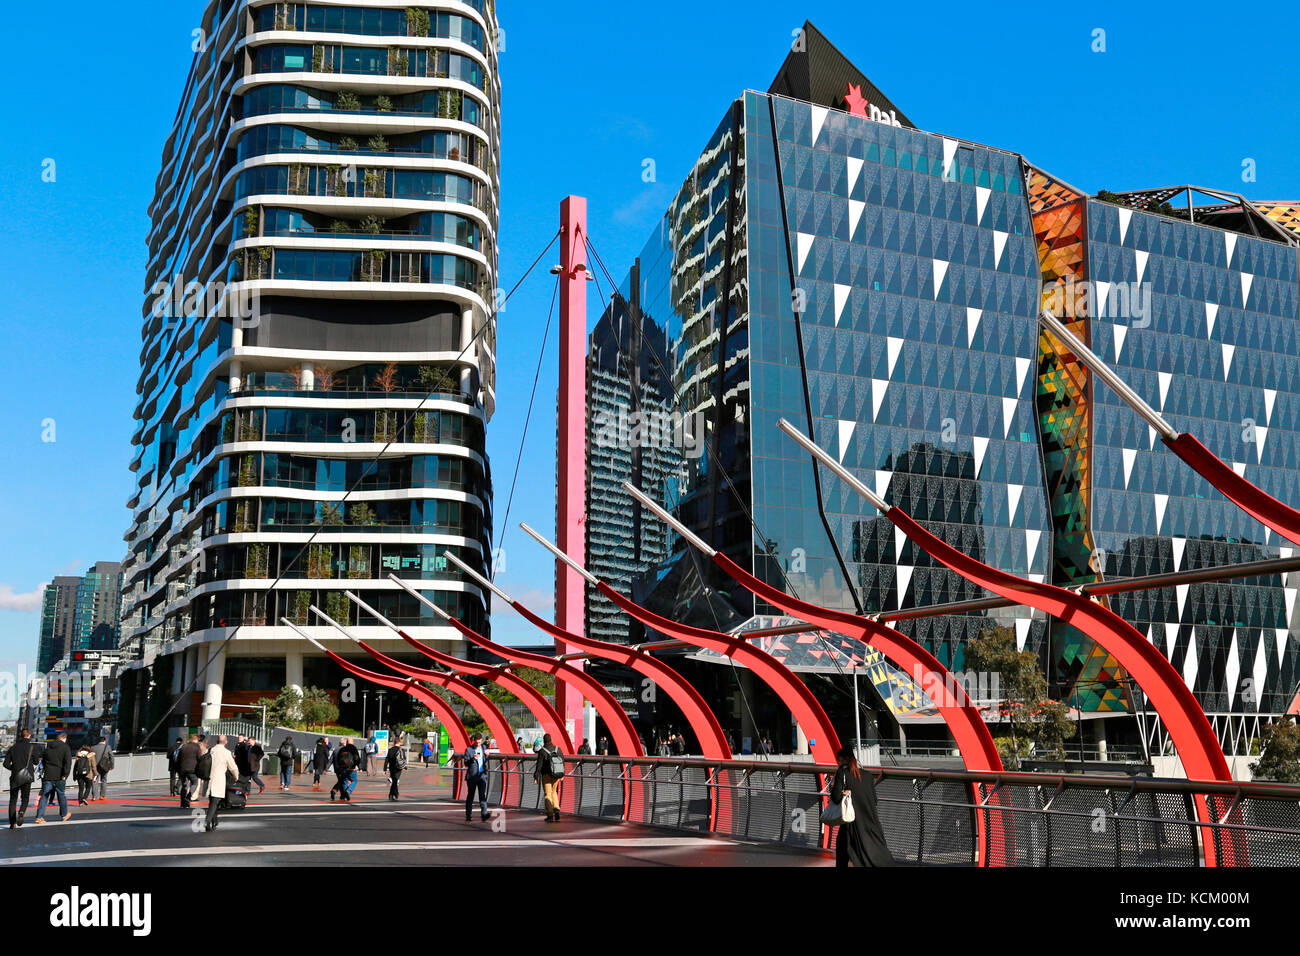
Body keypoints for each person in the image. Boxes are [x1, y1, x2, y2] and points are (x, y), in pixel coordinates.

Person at [830, 746, 893, 868]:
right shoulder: (868, 775)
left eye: (838, 761)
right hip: (870, 822)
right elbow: (874, 800)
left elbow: (836, 798)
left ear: (843, 760)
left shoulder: (842, 773)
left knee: (842, 850)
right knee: (872, 852)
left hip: (851, 823)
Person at [4, 728, 42, 828]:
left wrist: (14, 768)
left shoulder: (13, 748)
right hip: (27, 776)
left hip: (15, 776)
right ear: (29, 735)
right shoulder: (32, 747)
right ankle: (21, 811)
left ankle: (12, 823)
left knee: (13, 800)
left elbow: (5, 764)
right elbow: (36, 762)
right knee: (25, 798)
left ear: (21, 735)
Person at [203, 734, 240, 832]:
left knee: (212, 801)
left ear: (217, 741)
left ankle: (214, 821)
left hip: (208, 778)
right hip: (218, 779)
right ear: (226, 742)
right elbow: (233, 767)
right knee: (215, 801)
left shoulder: (210, 750)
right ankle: (207, 821)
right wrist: (236, 776)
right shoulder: (226, 752)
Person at [34, 731, 73, 823]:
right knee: (61, 795)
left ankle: (39, 817)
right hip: (59, 775)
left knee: (45, 796)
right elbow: (68, 763)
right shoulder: (65, 747)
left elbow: (43, 761)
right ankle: (64, 815)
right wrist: (65, 774)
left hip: (48, 775)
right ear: (64, 738)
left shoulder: (48, 747)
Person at [534, 733, 563, 822]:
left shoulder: (542, 751)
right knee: (554, 792)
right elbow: (562, 761)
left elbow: (539, 765)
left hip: (546, 775)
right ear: (551, 740)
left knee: (547, 794)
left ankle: (550, 815)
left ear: (544, 740)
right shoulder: (558, 749)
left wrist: (536, 776)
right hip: (556, 775)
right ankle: (556, 809)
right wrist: (562, 775)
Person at [462, 733, 489, 822]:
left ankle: (484, 814)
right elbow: (466, 763)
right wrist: (472, 759)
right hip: (472, 777)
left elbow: (485, 760)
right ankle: (468, 815)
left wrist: (487, 755)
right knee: (471, 796)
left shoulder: (484, 748)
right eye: (477, 742)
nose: (478, 744)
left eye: (479, 742)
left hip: (482, 775)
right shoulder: (469, 750)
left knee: (482, 795)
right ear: (474, 741)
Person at [330, 737, 359, 802]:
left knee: (343, 781)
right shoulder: (351, 748)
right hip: (350, 768)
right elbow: (356, 758)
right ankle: (346, 793)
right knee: (353, 780)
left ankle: (341, 795)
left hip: (340, 768)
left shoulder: (339, 749)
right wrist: (358, 767)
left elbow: (334, 759)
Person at [178, 733, 202, 808]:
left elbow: (179, 758)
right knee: (195, 783)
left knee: (184, 785)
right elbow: (199, 758)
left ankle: (183, 803)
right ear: (197, 739)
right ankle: (188, 797)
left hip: (183, 769)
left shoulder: (183, 746)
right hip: (192, 769)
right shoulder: (197, 747)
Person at [90, 735, 114, 802]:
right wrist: (112, 766)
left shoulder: (93, 748)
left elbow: (90, 757)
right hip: (105, 767)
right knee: (104, 780)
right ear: (105, 741)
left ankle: (94, 796)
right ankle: (102, 796)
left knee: (94, 781)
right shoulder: (108, 747)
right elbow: (112, 756)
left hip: (95, 767)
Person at [73, 742, 98, 806]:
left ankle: (80, 802)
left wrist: (74, 775)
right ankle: (84, 798)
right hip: (88, 774)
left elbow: (75, 766)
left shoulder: (79, 755)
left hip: (79, 774)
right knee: (88, 787)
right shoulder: (91, 755)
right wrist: (96, 773)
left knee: (81, 788)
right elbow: (93, 766)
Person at [384, 734, 407, 800]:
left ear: (394, 743)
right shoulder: (401, 750)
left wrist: (385, 768)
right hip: (398, 767)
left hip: (391, 767)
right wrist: (404, 767)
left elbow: (387, 759)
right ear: (399, 742)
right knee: (395, 780)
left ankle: (392, 795)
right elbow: (403, 759)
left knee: (394, 780)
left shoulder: (390, 750)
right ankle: (395, 794)